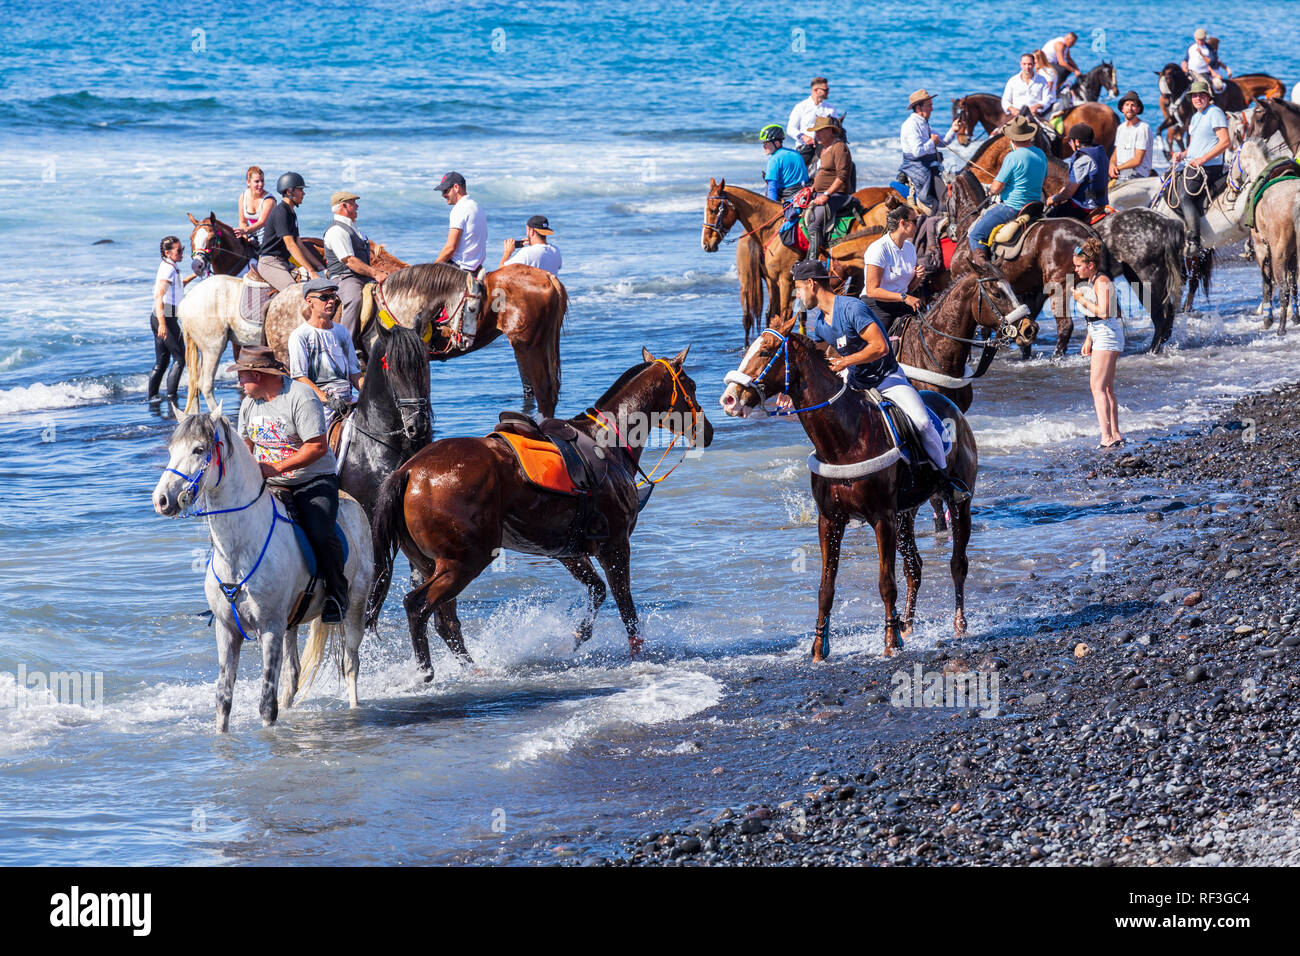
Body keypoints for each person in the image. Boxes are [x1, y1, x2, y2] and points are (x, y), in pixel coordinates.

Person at [790, 259, 970, 502]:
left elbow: (881, 347)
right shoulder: (821, 324)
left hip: (887, 379)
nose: (798, 295)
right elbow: (819, 364)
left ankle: (944, 481)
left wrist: (846, 362)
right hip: (856, 384)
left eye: (798, 289)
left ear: (811, 284)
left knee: (923, 422)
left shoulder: (852, 309)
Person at [234, 345, 348, 623]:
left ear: (257, 375)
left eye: (242, 377)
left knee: (320, 532)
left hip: (311, 480)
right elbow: (245, 446)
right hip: (269, 482)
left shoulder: (300, 396)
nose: (239, 383)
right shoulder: (250, 403)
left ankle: (337, 593)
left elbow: (317, 447)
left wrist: (276, 468)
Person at [968, 116, 1048, 262]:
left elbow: (996, 188)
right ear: (1029, 137)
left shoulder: (1012, 157)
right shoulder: (1041, 154)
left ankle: (983, 270)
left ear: (1012, 139)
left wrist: (992, 189)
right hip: (1034, 207)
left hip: (1013, 207)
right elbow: (1043, 178)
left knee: (975, 235)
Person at [288, 276, 363, 432]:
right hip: (320, 404)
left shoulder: (342, 332)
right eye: (324, 297)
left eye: (333, 297)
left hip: (347, 400)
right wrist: (328, 400)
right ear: (309, 301)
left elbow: (355, 373)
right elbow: (300, 378)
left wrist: (372, 393)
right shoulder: (300, 335)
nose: (331, 301)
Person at [1070, 238, 1124, 449]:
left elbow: (1103, 312)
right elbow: (1097, 318)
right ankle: (1115, 433)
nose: (1076, 270)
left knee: (1097, 388)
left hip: (1107, 335)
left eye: (1078, 266)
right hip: (1102, 334)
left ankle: (1106, 437)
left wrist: (1080, 299)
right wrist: (1088, 338)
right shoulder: (1094, 281)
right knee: (1107, 388)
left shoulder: (1101, 282)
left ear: (1090, 265)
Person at [1171, 79, 1230, 255]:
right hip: (1192, 163)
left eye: (1201, 95)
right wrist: (1182, 154)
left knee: (1185, 196)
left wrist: (1203, 159)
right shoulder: (1196, 117)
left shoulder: (1215, 112)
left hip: (1209, 166)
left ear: (1207, 97)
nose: (1197, 98)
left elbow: (1225, 141)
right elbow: (1196, 144)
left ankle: (1194, 242)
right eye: (1194, 96)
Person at [322, 190, 390, 342]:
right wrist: (375, 274)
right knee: (354, 299)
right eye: (353, 203)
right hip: (345, 277)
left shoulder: (354, 228)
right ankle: (345, 343)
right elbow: (350, 261)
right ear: (344, 206)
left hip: (362, 277)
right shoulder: (336, 231)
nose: (357, 206)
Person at [147, 235, 195, 406]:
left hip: (160, 314)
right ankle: (171, 398)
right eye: (179, 250)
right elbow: (159, 295)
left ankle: (152, 397)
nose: (182, 253)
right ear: (168, 253)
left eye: (183, 249)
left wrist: (193, 276)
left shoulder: (170, 266)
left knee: (163, 360)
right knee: (180, 358)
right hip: (164, 315)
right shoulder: (168, 269)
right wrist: (162, 324)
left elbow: (175, 287)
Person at [862, 200, 923, 330]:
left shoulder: (910, 248)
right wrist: (905, 298)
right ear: (903, 223)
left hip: (901, 303)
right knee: (883, 347)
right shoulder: (878, 248)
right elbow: (872, 291)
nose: (918, 226)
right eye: (915, 221)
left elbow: (908, 288)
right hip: (878, 306)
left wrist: (918, 278)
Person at [258, 172, 322, 292]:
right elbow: (291, 245)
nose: (303, 193)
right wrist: (311, 270)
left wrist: (319, 266)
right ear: (289, 192)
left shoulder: (291, 213)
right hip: (270, 263)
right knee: (293, 291)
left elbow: (300, 245)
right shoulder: (281, 213)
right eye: (300, 190)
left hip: (283, 261)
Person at [803, 116, 855, 261]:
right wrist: (813, 187)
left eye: (820, 131)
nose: (817, 134)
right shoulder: (824, 149)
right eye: (816, 131)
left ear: (830, 131)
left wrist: (826, 194)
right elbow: (823, 173)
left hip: (836, 195)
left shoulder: (839, 148)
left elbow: (842, 176)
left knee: (814, 225)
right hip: (819, 193)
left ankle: (812, 263)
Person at [898, 89, 958, 213]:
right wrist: (932, 142)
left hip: (929, 167)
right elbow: (917, 152)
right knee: (942, 201)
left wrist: (953, 129)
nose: (932, 109)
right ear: (919, 107)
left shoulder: (924, 124)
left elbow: (943, 142)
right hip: (918, 169)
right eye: (929, 105)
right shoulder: (911, 125)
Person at [1046, 123, 1109, 221]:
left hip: (1085, 207)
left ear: (1077, 142)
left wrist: (1054, 198)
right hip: (1101, 202)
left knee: (1049, 219)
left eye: (1070, 142)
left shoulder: (1082, 160)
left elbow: (1069, 193)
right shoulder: (1100, 152)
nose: (1070, 144)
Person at [434, 171, 486, 272]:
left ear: (456, 187)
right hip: (477, 268)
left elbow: (450, 248)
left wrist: (432, 269)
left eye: (445, 191)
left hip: (458, 269)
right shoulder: (477, 207)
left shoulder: (459, 209)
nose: (443, 195)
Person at [786, 77, 843, 167]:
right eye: (825, 90)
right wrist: (803, 137)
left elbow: (837, 129)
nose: (828, 92)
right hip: (805, 146)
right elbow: (790, 129)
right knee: (797, 168)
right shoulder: (801, 106)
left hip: (825, 146)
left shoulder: (830, 109)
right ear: (815, 90)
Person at [1110, 91, 1153, 181]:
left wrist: (1117, 168)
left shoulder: (1143, 128)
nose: (1130, 108)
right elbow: (1115, 153)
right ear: (1122, 109)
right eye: (1127, 105)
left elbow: (1137, 160)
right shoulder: (1121, 128)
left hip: (1137, 173)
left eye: (1133, 105)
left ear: (1138, 109)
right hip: (1121, 170)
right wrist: (1112, 165)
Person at [759, 124, 809, 203]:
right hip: (804, 193)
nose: (764, 146)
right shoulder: (796, 153)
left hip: (789, 197)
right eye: (763, 143)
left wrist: (771, 207)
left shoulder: (773, 159)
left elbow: (772, 188)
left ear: (777, 143)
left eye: (767, 143)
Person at [234, 166, 275, 260]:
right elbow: (242, 221)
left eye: (262, 181)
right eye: (256, 181)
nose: (260, 184)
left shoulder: (269, 200)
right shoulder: (243, 196)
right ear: (248, 182)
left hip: (269, 236)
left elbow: (262, 222)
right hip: (252, 234)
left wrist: (245, 231)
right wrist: (245, 239)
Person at [1002, 53, 1053, 120]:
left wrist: (1037, 106)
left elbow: (1048, 98)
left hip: (1035, 116)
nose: (1027, 67)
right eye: (1024, 64)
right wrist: (1011, 109)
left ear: (1034, 64)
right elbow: (1005, 100)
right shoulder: (1013, 81)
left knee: (1050, 130)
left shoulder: (1042, 80)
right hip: (1016, 116)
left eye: (1030, 64)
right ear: (1020, 64)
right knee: (1000, 130)